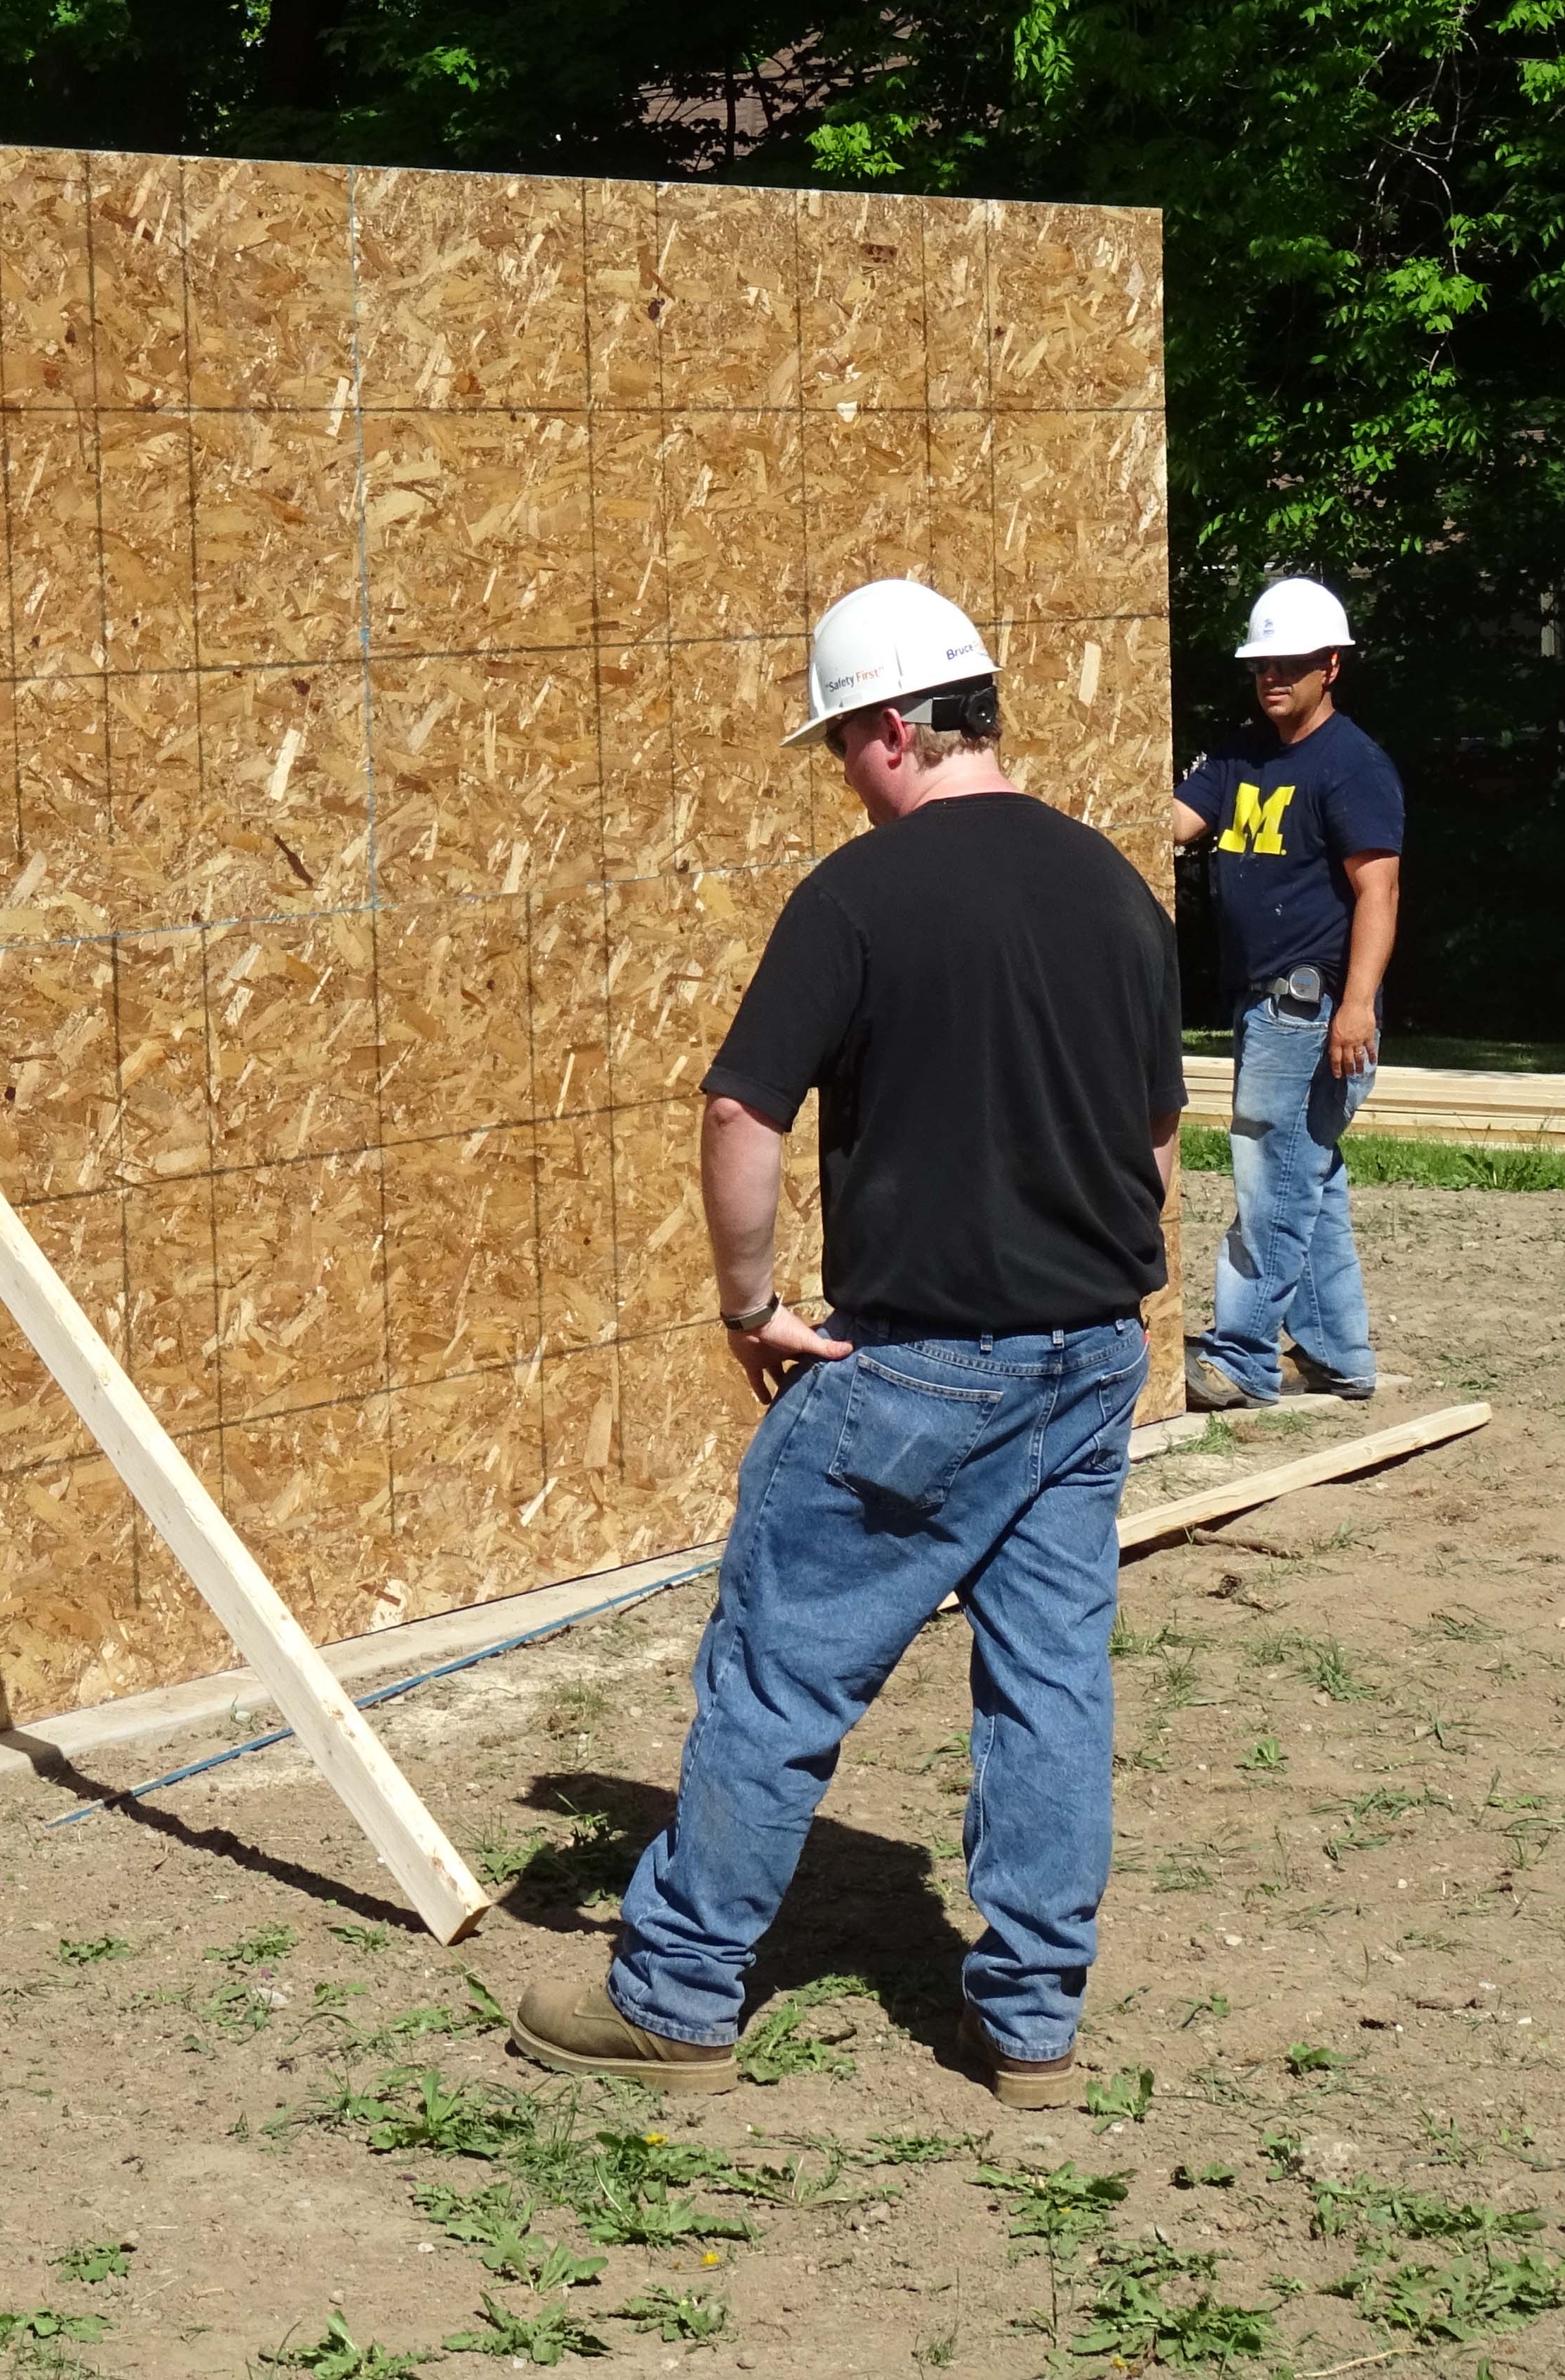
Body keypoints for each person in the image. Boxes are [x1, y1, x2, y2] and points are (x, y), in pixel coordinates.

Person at [507, 578, 1184, 2105]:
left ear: (890, 726)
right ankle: (1032, 2029)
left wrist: (748, 1306)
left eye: (838, 747)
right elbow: (1151, 1143)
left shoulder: (858, 897)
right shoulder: (1112, 890)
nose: (840, 779)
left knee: (777, 1675)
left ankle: (675, 1997)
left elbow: (740, 1109)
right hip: (1088, 1358)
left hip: (919, 1363)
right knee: (1051, 1683)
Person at [1172, 578, 1404, 1412]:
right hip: (1263, 1005)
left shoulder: (1352, 766)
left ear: (1329, 666)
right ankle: (1340, 1355)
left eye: (1291, 664)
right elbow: (1171, 823)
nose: (1272, 676)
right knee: (1309, 1181)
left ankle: (1239, 1360)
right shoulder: (1240, 755)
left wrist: (1357, 1006)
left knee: (1270, 1183)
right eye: (1262, 663)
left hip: (1309, 1007)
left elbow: (1378, 893)